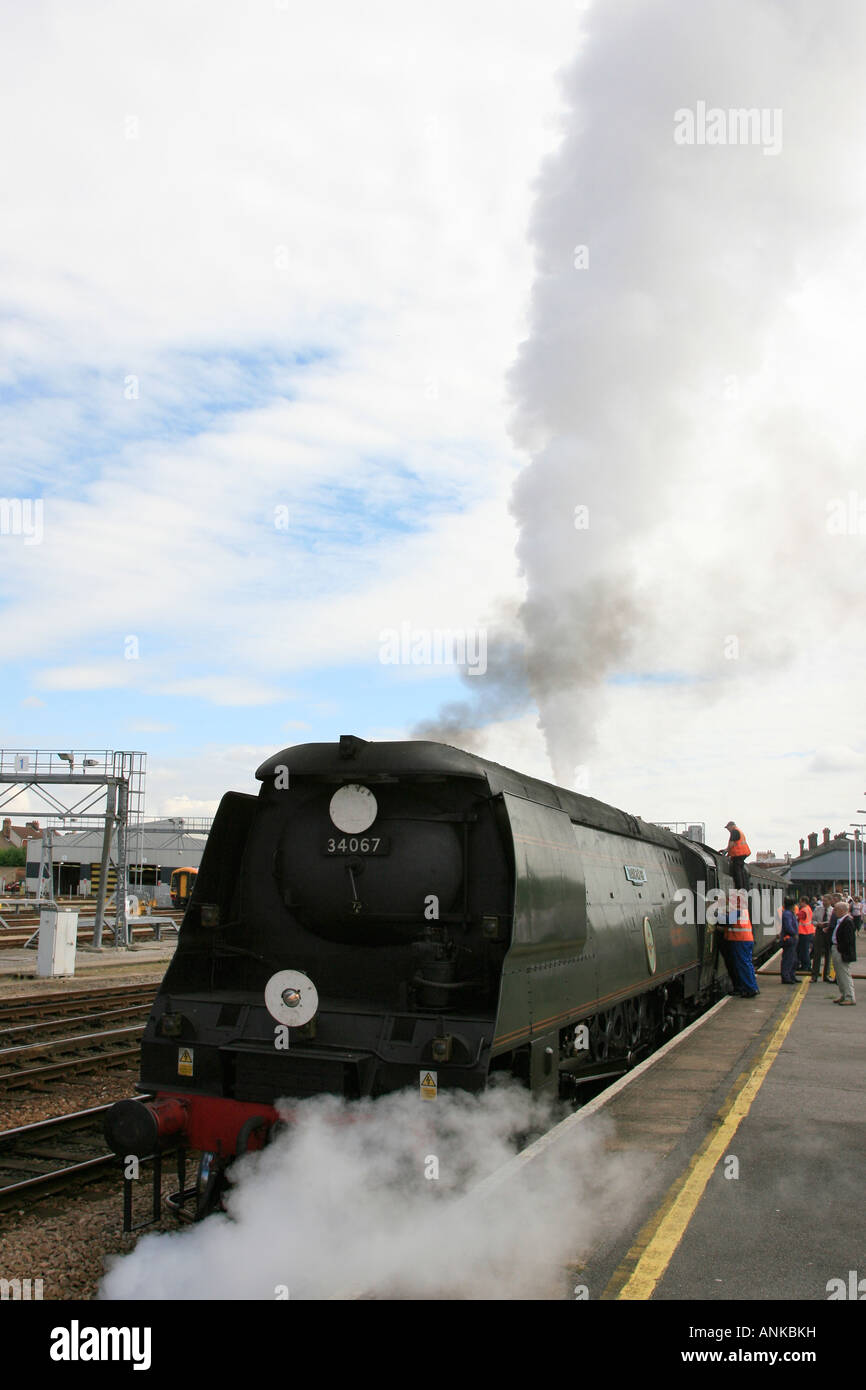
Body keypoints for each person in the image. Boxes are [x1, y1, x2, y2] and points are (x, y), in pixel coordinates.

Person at [724, 900, 760, 997]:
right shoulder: (742, 910)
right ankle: (752, 987)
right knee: (746, 964)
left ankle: (750, 989)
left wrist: (714, 914)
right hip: (745, 939)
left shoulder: (738, 910)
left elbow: (727, 920)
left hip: (740, 940)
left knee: (743, 965)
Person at [830, 902, 857, 1005]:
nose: (834, 911)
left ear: (842, 910)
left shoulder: (847, 922)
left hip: (841, 951)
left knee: (844, 975)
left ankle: (849, 997)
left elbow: (848, 940)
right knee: (840, 975)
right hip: (837, 949)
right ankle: (844, 994)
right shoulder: (842, 921)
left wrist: (841, 950)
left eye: (836, 909)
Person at [721, 821, 751, 892]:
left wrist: (726, 850)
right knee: (740, 870)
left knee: (737, 870)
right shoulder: (739, 831)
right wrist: (727, 851)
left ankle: (739, 887)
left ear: (731, 826)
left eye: (728, 828)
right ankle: (743, 887)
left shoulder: (734, 832)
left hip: (739, 854)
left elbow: (732, 843)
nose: (728, 830)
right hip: (742, 853)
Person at [810, 898, 833, 983]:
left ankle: (826, 975)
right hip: (819, 931)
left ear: (830, 902)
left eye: (826, 901)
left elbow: (834, 921)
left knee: (828, 954)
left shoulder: (833, 910)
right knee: (817, 954)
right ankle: (814, 975)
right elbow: (812, 920)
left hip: (828, 933)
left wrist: (828, 924)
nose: (824, 902)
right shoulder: (818, 909)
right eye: (823, 901)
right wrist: (817, 924)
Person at [779, 897, 799, 983]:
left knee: (793, 959)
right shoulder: (787, 914)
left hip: (791, 939)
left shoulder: (789, 913)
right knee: (788, 958)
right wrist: (794, 933)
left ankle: (791, 975)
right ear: (792, 905)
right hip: (789, 939)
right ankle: (786, 977)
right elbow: (788, 926)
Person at [796, 898, 814, 972]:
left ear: (804, 902)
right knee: (805, 950)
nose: (799, 904)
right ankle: (807, 965)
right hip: (809, 932)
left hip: (804, 933)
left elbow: (796, 917)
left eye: (800, 902)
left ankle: (805, 966)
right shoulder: (808, 908)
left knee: (804, 951)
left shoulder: (803, 910)